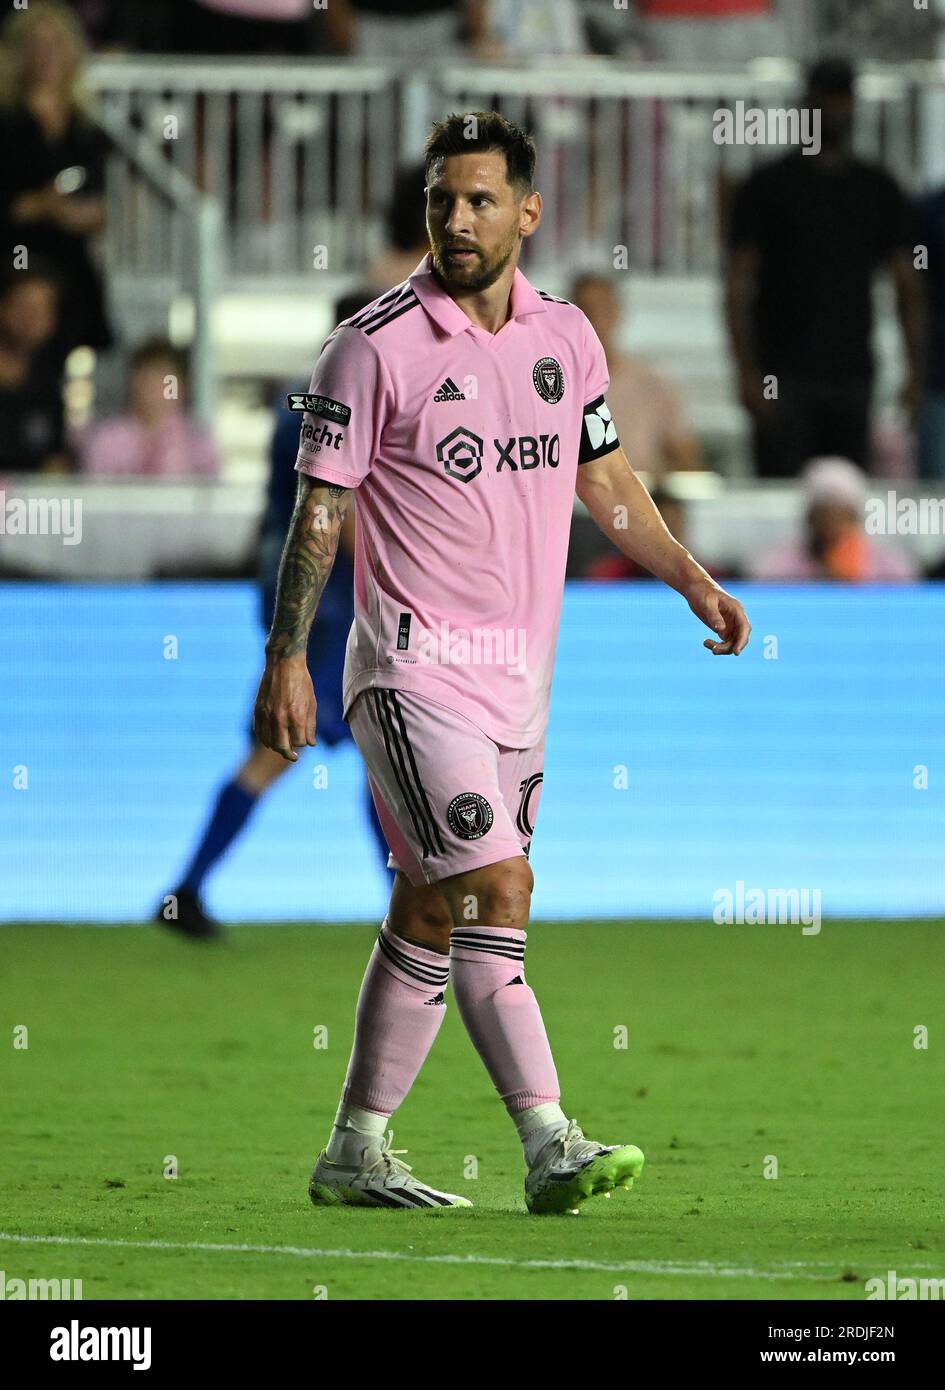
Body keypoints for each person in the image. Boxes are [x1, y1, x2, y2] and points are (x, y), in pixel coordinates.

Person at [253, 111, 751, 1214]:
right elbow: (318, 511)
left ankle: (354, 1151)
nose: (458, 220)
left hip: (518, 686)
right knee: (495, 889)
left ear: (528, 211)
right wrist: (288, 654)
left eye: (481, 200)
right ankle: (549, 1140)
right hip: (408, 670)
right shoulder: (370, 345)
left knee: (433, 910)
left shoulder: (567, 340)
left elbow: (608, 484)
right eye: (443, 200)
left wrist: (689, 576)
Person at [157, 294, 390, 941]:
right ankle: (408, 915)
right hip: (327, 601)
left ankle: (189, 887)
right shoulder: (346, 407)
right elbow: (334, 519)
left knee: (302, 751)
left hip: (301, 596)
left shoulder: (309, 401)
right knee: (374, 751)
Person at [725, 58, 924, 478]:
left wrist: (915, 373)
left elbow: (907, 286)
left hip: (851, 373)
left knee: (844, 498)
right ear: (805, 107)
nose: (833, 113)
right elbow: (738, 285)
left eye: (841, 102)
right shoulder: (768, 186)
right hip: (781, 374)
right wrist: (747, 372)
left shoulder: (877, 189)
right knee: (780, 498)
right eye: (823, 102)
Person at [0, 1, 112, 364]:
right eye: (36, 44)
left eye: (56, 44)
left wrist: (84, 215)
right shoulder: (8, 120)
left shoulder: (85, 125)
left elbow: (100, 195)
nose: (47, 55)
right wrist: (38, 205)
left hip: (72, 262)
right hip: (17, 258)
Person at [570, 271, 703, 478]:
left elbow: (686, 460)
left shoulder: (654, 384)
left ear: (617, 313)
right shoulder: (551, 385)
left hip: (640, 499)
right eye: (586, 310)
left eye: (602, 308)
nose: (594, 319)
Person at [749, 456, 917, 582]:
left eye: (841, 512)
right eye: (825, 512)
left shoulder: (891, 568)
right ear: (809, 517)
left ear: (856, 515)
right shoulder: (775, 569)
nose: (833, 524)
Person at [77, 338, 219, 478]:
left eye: (165, 380)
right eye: (147, 379)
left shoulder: (197, 441)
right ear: (133, 383)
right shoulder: (106, 440)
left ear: (182, 386)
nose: (155, 389)